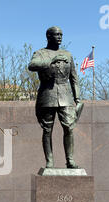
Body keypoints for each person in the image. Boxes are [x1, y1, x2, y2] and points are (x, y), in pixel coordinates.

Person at [28, 26, 83, 168]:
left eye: (61, 35)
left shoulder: (68, 55)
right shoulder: (40, 53)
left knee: (69, 128)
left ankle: (70, 160)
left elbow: (74, 78)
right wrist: (52, 60)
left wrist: (78, 99)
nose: (59, 37)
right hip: (47, 95)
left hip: (66, 96)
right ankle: (49, 161)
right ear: (48, 36)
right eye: (56, 35)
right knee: (47, 130)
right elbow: (32, 65)